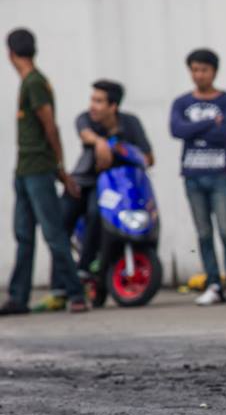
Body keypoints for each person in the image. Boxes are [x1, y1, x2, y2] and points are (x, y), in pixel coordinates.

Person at [34, 80, 154, 311]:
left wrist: (122, 151)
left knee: (96, 213)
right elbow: (85, 134)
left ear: (113, 106)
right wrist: (101, 143)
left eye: (99, 101)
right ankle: (59, 287)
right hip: (82, 183)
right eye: (93, 100)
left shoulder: (131, 124)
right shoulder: (86, 119)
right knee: (59, 225)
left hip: (112, 187)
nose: (93, 106)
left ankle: (86, 268)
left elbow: (148, 157)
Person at [0, 28, 87, 316]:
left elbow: (50, 126)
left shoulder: (35, 83)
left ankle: (76, 293)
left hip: (39, 170)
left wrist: (60, 167)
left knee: (53, 233)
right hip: (24, 170)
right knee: (24, 235)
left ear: (10, 53)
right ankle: (18, 297)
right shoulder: (28, 82)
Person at [170, 48, 226, 306]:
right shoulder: (181, 102)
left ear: (213, 71)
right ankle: (213, 283)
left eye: (203, 69)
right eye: (194, 69)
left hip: (219, 174)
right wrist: (211, 122)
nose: (198, 74)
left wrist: (197, 131)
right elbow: (176, 130)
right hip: (192, 175)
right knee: (203, 233)